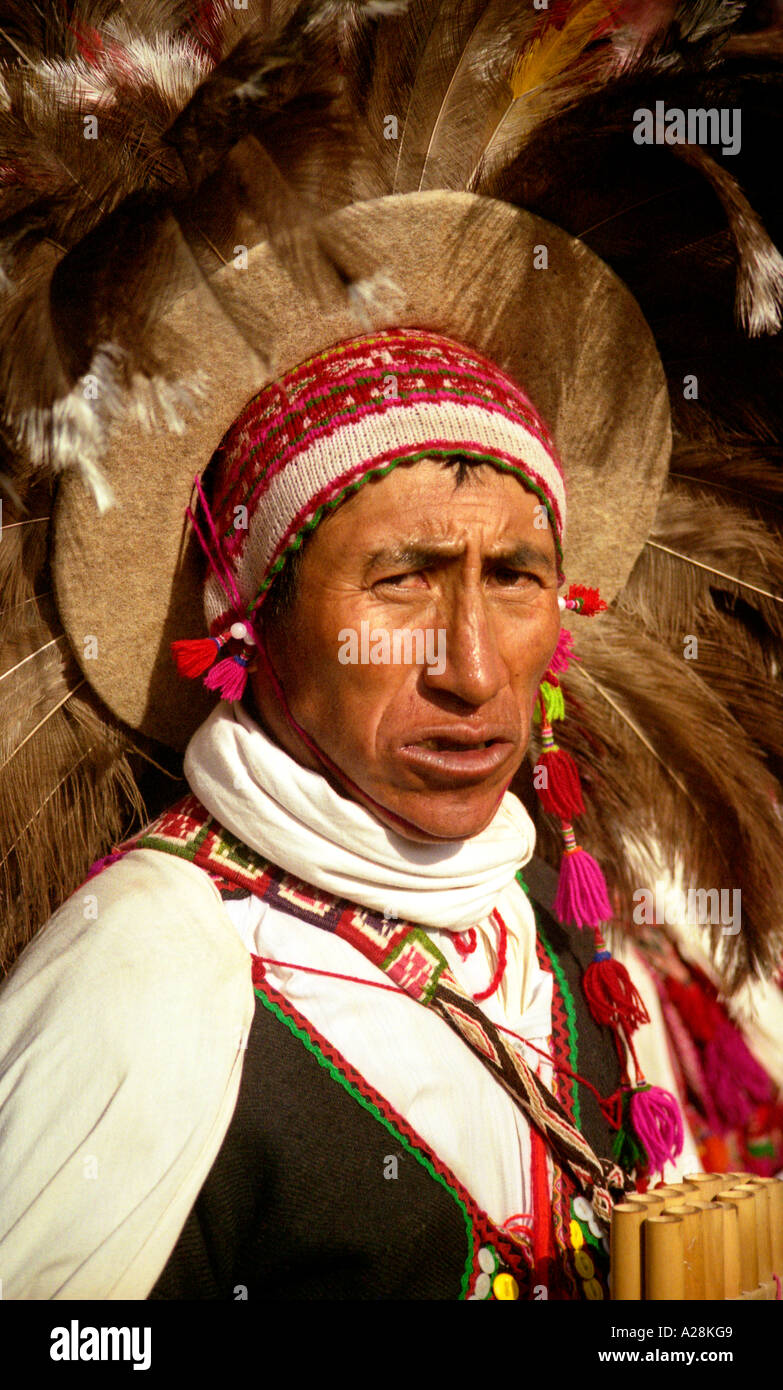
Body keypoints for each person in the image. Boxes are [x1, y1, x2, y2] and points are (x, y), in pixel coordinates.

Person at [0, 1, 781, 1303]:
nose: (474, 669)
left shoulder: (555, 907)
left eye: (516, 576)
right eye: (403, 579)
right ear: (243, 625)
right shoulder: (149, 970)